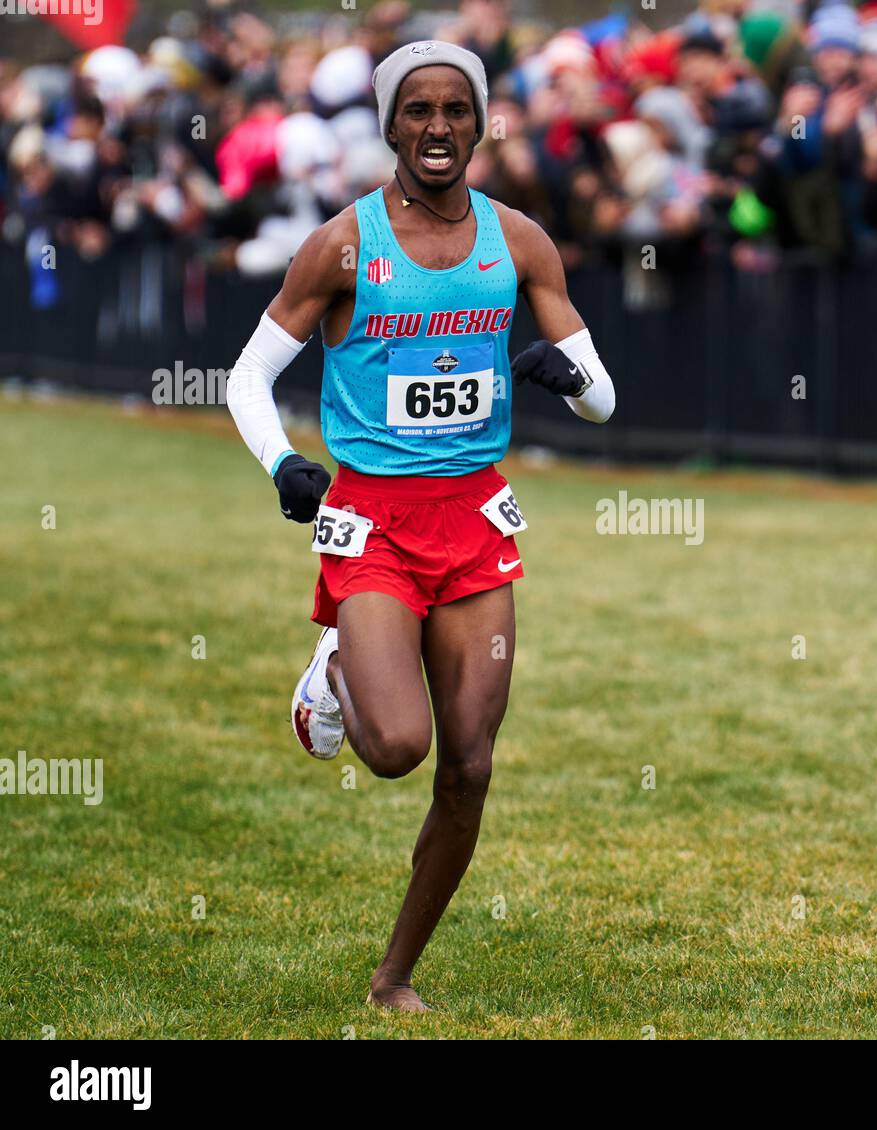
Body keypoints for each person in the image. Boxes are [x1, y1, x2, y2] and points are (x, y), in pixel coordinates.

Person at [223, 41, 615, 1012]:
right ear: (391, 124)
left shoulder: (518, 240)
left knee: (469, 762)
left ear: (480, 123)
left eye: (454, 110)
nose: (436, 126)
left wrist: (570, 380)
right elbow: (246, 377)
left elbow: (603, 393)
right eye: (416, 111)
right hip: (374, 521)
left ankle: (393, 973)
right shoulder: (343, 245)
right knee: (396, 746)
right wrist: (284, 464)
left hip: (475, 516)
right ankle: (336, 668)